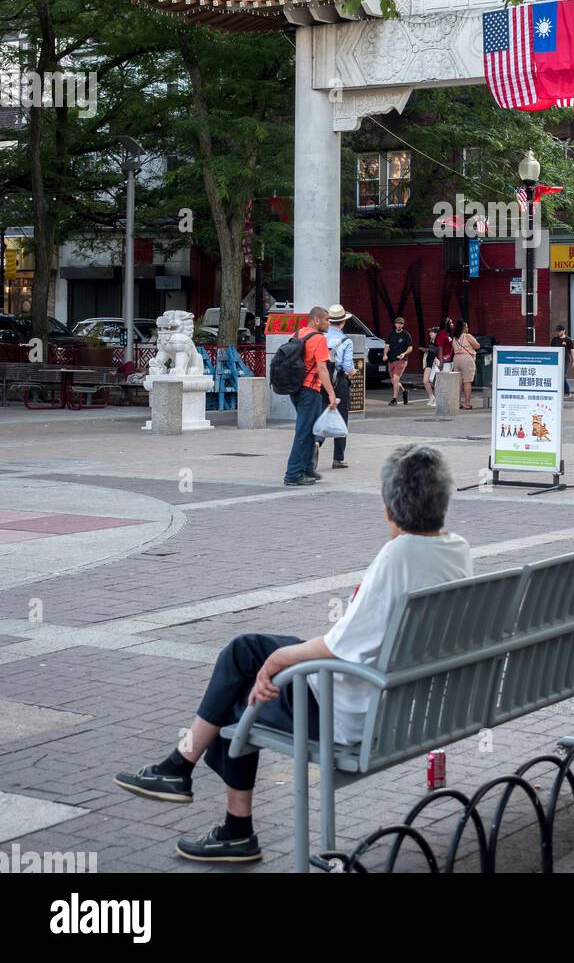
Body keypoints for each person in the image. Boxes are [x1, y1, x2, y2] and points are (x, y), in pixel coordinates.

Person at [114, 444, 472, 864]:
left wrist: (280, 660)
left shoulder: (398, 557)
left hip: (358, 715)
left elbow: (340, 645)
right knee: (245, 652)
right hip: (413, 704)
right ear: (442, 501)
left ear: (389, 507)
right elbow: (358, 638)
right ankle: (182, 771)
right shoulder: (455, 548)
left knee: (240, 696)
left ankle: (222, 814)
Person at [283, 306, 338, 486]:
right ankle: (293, 474)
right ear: (317, 320)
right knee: (304, 432)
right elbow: (322, 369)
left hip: (296, 389)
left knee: (310, 431)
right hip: (310, 390)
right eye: (327, 319)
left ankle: (307, 468)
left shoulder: (298, 334)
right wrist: (331, 393)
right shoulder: (318, 339)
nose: (329, 323)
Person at [325, 304, 355, 469]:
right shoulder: (346, 341)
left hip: (322, 381)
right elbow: (347, 367)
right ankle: (338, 458)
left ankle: (317, 441)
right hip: (339, 381)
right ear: (343, 323)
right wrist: (353, 371)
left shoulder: (321, 337)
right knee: (341, 417)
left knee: (321, 413)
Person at [383, 316, 413, 405]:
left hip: (401, 360)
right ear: (395, 324)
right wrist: (385, 354)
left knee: (396, 379)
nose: (399, 325)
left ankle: (394, 399)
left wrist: (404, 353)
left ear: (403, 325)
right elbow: (387, 345)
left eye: (401, 324)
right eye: (398, 323)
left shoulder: (406, 334)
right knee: (393, 381)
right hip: (391, 360)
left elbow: (410, 347)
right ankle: (404, 391)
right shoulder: (391, 334)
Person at [451, 319, 479, 410]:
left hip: (456, 359)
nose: (468, 328)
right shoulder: (467, 336)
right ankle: (467, 403)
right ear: (463, 328)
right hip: (466, 359)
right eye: (466, 326)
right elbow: (477, 346)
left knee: (457, 383)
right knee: (467, 382)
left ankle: (457, 403)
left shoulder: (454, 338)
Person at [550, 324, 574, 396]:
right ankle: (558, 392)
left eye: (559, 331)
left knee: (562, 376)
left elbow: (572, 351)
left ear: (563, 331)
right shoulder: (554, 340)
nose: (558, 332)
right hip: (556, 361)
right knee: (557, 376)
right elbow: (551, 350)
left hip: (565, 361)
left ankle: (567, 392)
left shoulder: (568, 340)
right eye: (557, 331)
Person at [422, 327, 439, 407]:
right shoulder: (431, 341)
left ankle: (437, 399)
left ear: (436, 333)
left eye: (431, 332)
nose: (430, 334)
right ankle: (432, 397)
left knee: (436, 383)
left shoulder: (438, 342)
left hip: (435, 364)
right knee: (425, 381)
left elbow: (438, 352)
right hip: (428, 363)